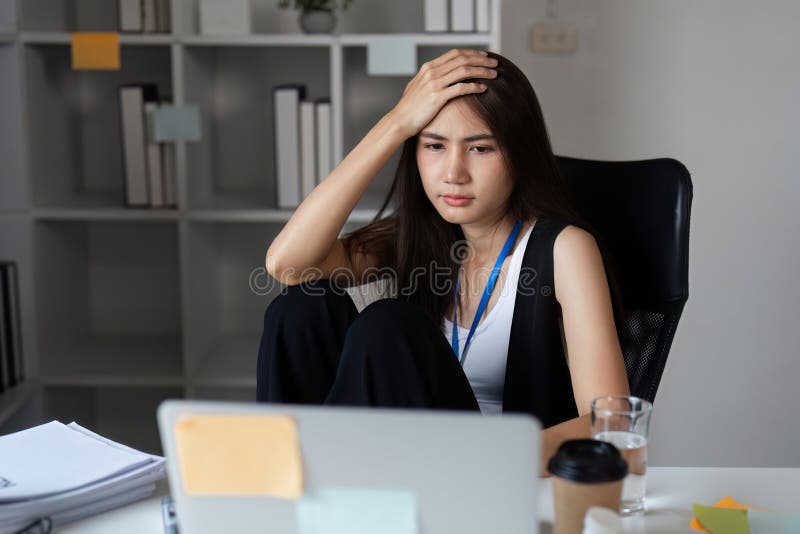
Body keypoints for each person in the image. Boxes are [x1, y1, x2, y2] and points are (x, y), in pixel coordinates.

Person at [258, 48, 630, 474]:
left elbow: (612, 424)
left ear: (519, 155)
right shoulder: (414, 237)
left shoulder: (564, 249)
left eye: (480, 148)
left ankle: (329, 491)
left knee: (388, 325)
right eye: (434, 145)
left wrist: (484, 455)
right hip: (402, 464)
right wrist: (396, 123)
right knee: (301, 306)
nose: (453, 172)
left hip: (490, 472)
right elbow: (285, 265)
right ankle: (285, 492)